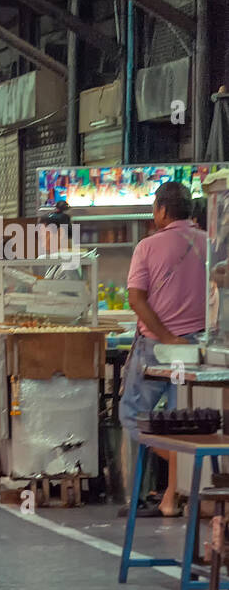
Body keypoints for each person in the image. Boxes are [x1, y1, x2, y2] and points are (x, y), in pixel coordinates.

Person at [120, 181, 208, 518]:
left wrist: (166, 337)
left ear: (161, 211)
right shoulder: (209, 244)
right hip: (198, 348)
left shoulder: (147, 246)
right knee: (183, 422)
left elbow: (136, 299)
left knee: (131, 416)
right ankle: (172, 497)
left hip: (159, 348)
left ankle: (187, 467)